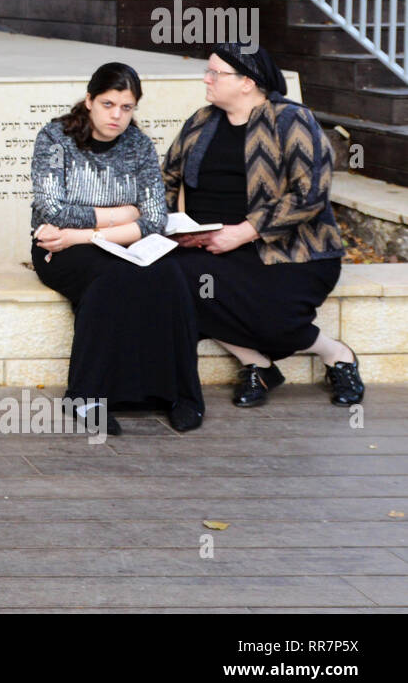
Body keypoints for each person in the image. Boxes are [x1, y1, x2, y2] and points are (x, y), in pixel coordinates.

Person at [164, 43, 364, 408]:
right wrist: (169, 230)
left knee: (274, 319)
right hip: (211, 248)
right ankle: (256, 363)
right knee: (171, 282)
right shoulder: (201, 122)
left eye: (215, 73)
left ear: (247, 82)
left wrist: (244, 231)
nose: (206, 79)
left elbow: (311, 193)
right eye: (207, 71)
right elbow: (168, 178)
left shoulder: (291, 120)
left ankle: (336, 354)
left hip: (291, 250)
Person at [30, 63, 203, 435]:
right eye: (108, 104)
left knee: (172, 275)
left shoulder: (138, 145)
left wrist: (87, 234)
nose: (117, 116)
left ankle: (175, 394)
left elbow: (156, 218)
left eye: (126, 107)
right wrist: (125, 214)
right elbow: (53, 210)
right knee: (112, 277)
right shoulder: (55, 139)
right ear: (89, 100)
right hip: (55, 247)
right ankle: (86, 396)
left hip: (93, 241)